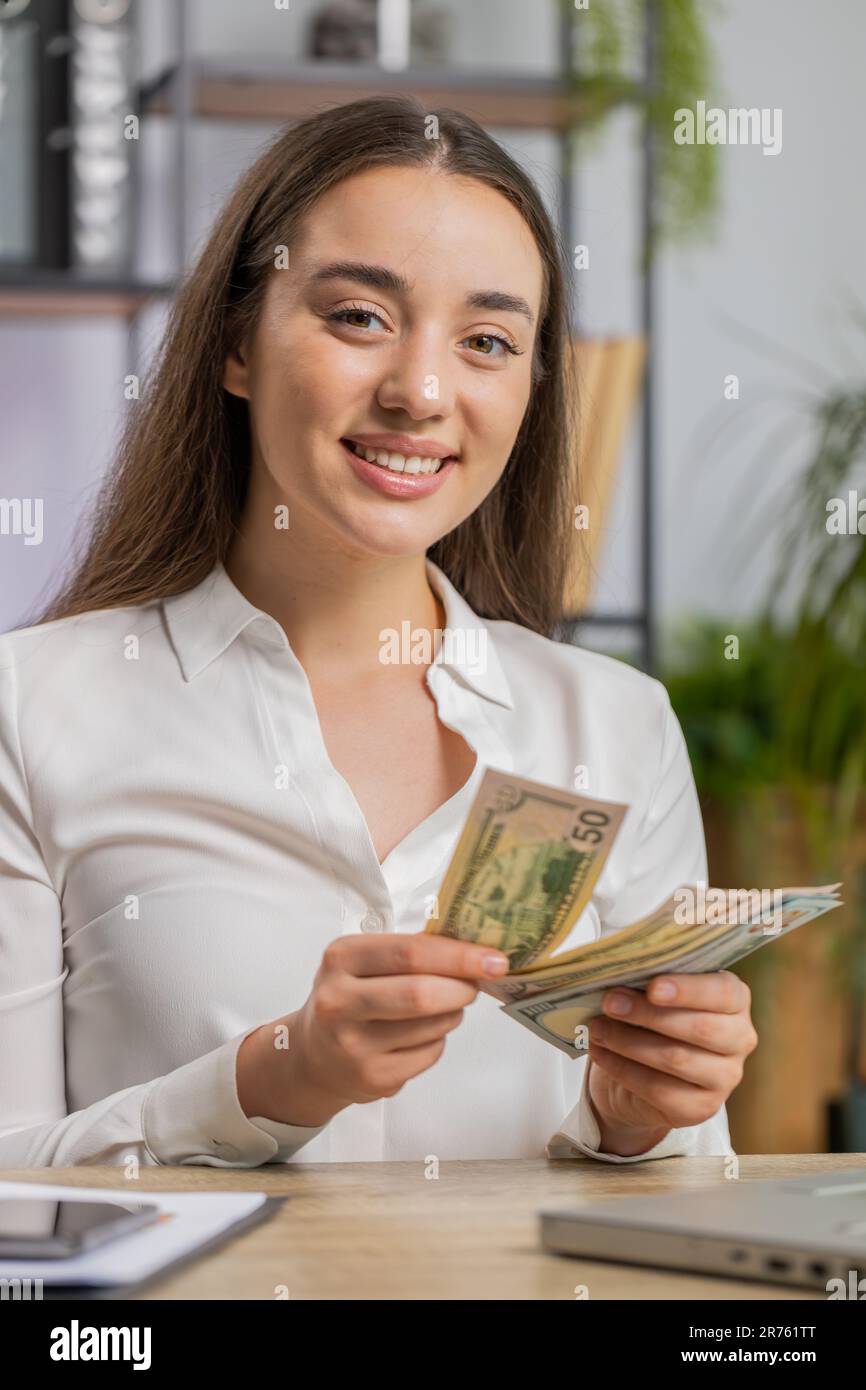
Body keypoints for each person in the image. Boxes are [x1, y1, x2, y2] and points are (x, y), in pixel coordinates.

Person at [0, 96, 757, 1168]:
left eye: (487, 340)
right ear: (236, 344)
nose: (420, 390)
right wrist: (269, 1077)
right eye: (358, 315)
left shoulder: (617, 723)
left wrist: (634, 1125)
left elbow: (693, 1207)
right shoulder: (29, 708)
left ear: (531, 391)